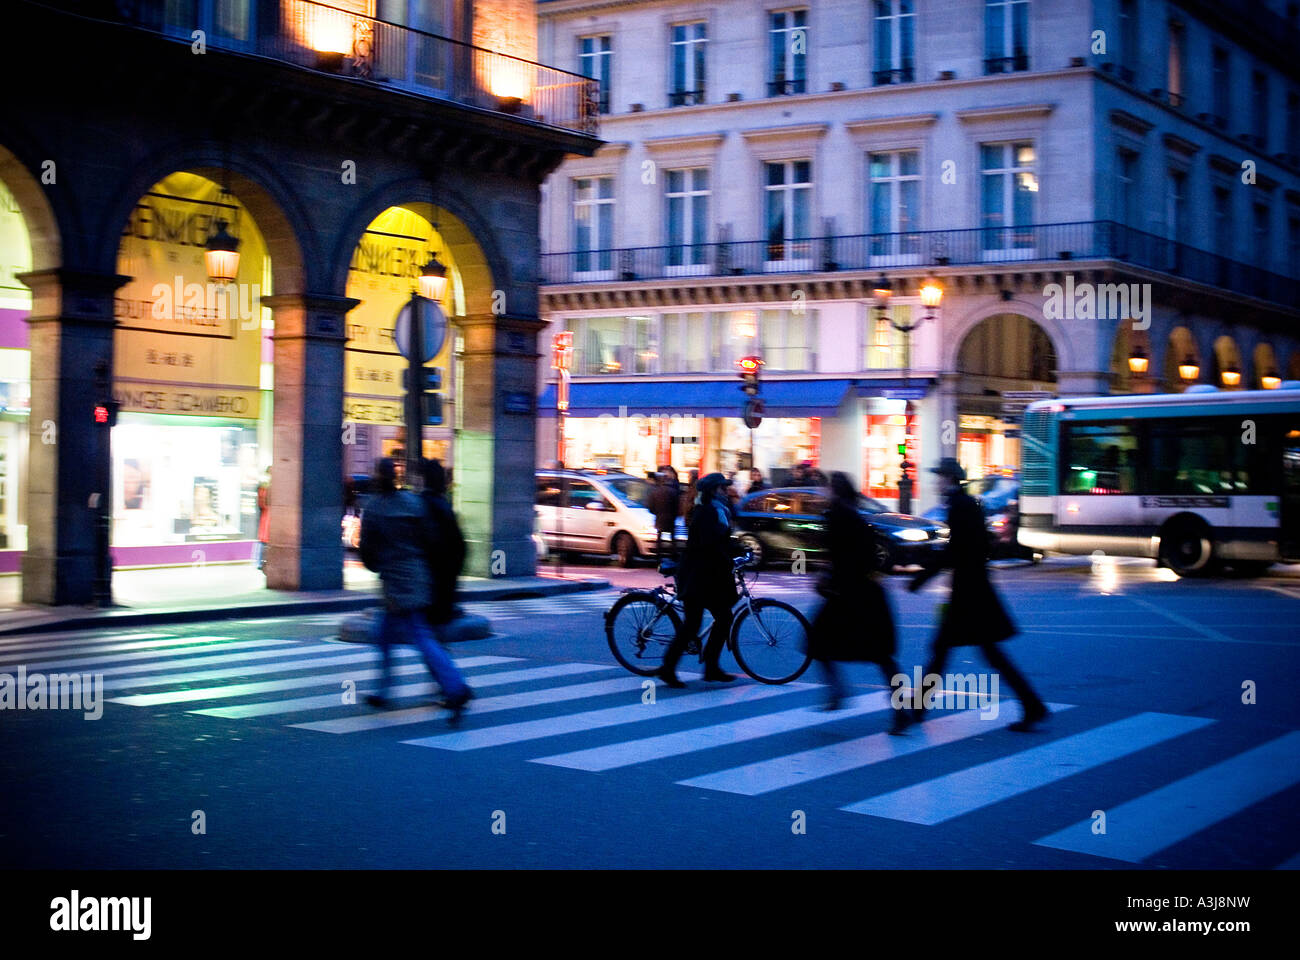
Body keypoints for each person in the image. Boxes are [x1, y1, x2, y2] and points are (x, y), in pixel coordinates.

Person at [908, 457, 1047, 731]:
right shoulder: (966, 504)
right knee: (979, 653)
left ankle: (916, 710)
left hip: (967, 594)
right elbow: (979, 545)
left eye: (939, 476)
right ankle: (1033, 706)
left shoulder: (959, 506)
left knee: (943, 652)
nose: (936, 481)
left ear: (948, 478)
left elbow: (955, 551)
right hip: (974, 590)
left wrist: (922, 578)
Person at [359, 458, 473, 722]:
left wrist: (381, 562)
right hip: (417, 576)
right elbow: (432, 540)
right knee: (387, 634)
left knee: (417, 636)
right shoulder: (413, 503)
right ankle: (384, 690)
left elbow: (368, 553)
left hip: (394, 581)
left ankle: (455, 688)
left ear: (378, 477)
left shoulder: (373, 508)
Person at [809, 473, 913, 732]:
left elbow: (835, 555)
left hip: (846, 593)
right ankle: (900, 711)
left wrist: (827, 578)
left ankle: (837, 691)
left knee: (818, 641)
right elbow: (869, 554)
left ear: (835, 491)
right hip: (867, 593)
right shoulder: (855, 515)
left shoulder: (835, 516)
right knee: (881, 655)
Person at [656, 472, 739, 687]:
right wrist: (729, 557)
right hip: (697, 577)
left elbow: (723, 540)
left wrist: (740, 550)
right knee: (692, 625)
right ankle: (668, 669)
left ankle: (711, 667)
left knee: (724, 618)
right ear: (713, 491)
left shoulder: (719, 510)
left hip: (709, 577)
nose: (726, 491)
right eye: (722, 488)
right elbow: (709, 544)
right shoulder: (706, 512)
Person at [418, 458, 466, 653]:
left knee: (430, 639)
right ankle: (445, 676)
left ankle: (450, 679)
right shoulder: (443, 507)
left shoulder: (423, 506)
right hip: (443, 583)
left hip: (428, 584)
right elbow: (460, 548)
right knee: (436, 638)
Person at [652, 465, 680, 560]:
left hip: (659, 517)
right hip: (670, 517)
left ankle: (658, 556)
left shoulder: (656, 491)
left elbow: (651, 505)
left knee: (659, 537)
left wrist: (655, 512)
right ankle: (673, 556)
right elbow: (677, 505)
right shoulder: (673, 491)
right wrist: (675, 514)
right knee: (672, 538)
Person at [255, 470, 270, 572]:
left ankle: (259, 561)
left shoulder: (263, 487)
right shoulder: (265, 487)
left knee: (263, 541)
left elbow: (261, 503)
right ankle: (260, 561)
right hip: (267, 516)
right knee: (264, 540)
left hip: (266, 515)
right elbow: (262, 503)